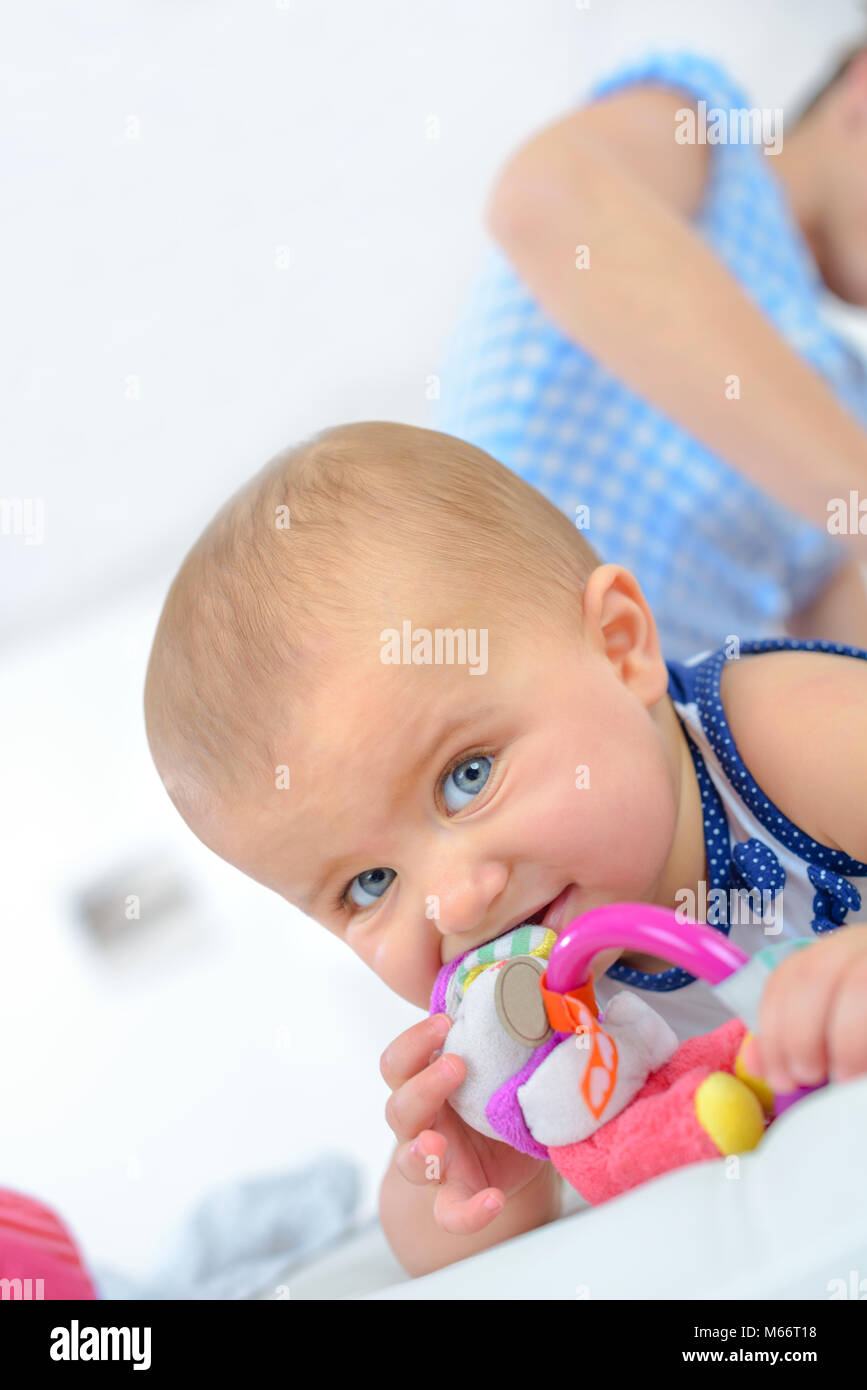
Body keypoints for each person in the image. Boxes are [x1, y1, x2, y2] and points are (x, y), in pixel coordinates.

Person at [143, 421, 867, 1277]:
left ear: (620, 646)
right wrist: (476, 1173)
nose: (452, 902)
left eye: (468, 775)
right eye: (371, 884)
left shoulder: (780, 735)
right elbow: (463, 1259)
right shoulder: (523, 1028)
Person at [434, 47, 867, 659]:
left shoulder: (847, 396)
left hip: (665, 730)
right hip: (488, 644)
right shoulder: (705, 131)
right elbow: (548, 200)